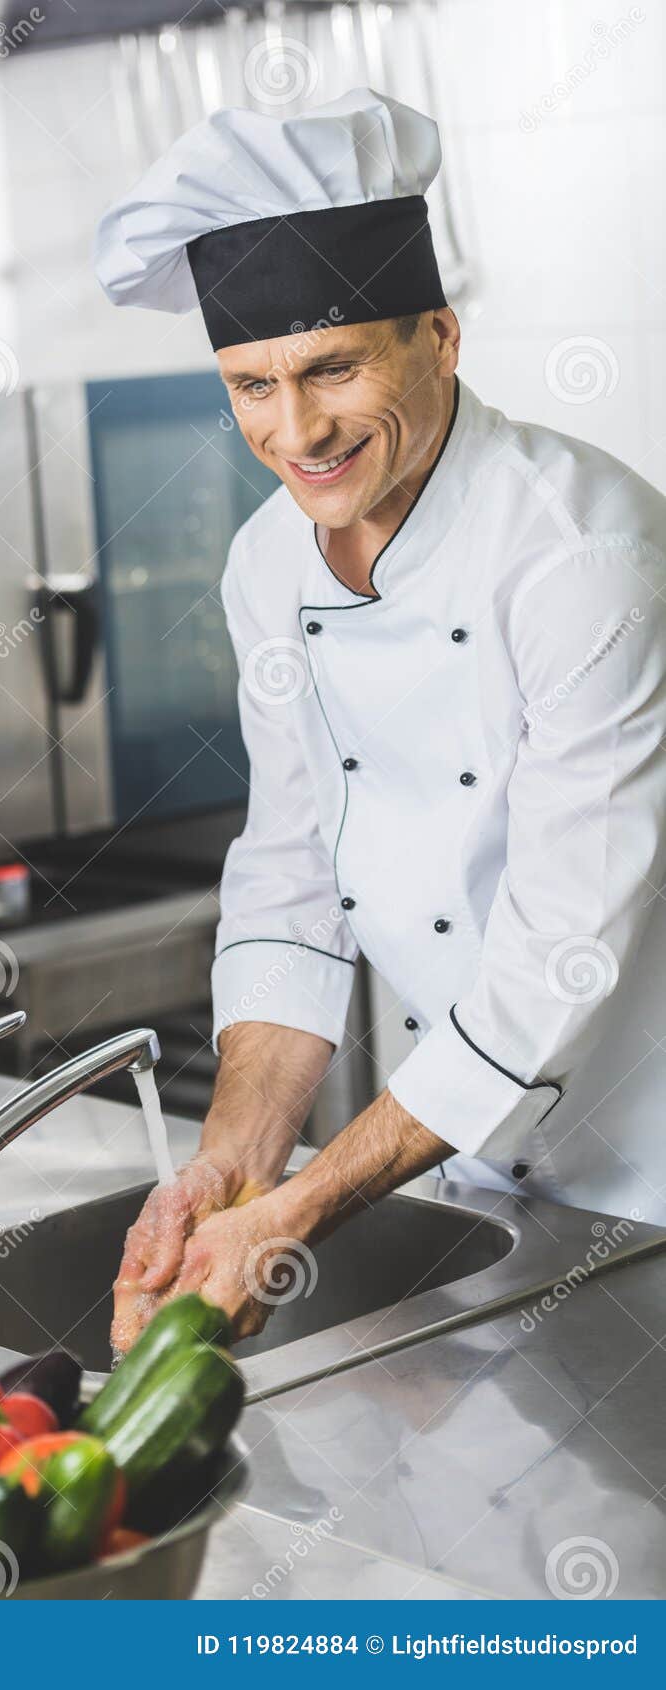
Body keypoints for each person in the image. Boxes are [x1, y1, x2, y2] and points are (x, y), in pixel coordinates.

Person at [94, 89, 666, 1352]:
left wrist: (304, 1203)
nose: (295, 433)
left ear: (440, 338)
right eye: (251, 385)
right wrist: (230, 1172)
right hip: (473, 1169)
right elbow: (296, 875)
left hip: (651, 1176)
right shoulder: (267, 566)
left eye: (332, 368)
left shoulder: (582, 554)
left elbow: (565, 941)